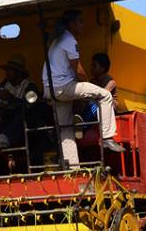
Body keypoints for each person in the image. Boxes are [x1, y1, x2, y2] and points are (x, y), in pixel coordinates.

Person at [41, 10, 124, 168]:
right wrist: (87, 84)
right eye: (80, 22)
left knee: (66, 129)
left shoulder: (57, 40)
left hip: (50, 89)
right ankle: (107, 137)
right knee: (104, 95)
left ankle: (73, 168)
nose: (83, 25)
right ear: (71, 24)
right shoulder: (69, 40)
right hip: (63, 87)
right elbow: (78, 71)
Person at [84, 52, 122, 119]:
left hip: (109, 108)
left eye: (94, 66)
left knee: (95, 103)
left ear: (102, 68)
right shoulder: (93, 81)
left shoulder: (110, 82)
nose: (91, 68)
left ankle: (85, 121)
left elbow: (102, 94)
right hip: (98, 108)